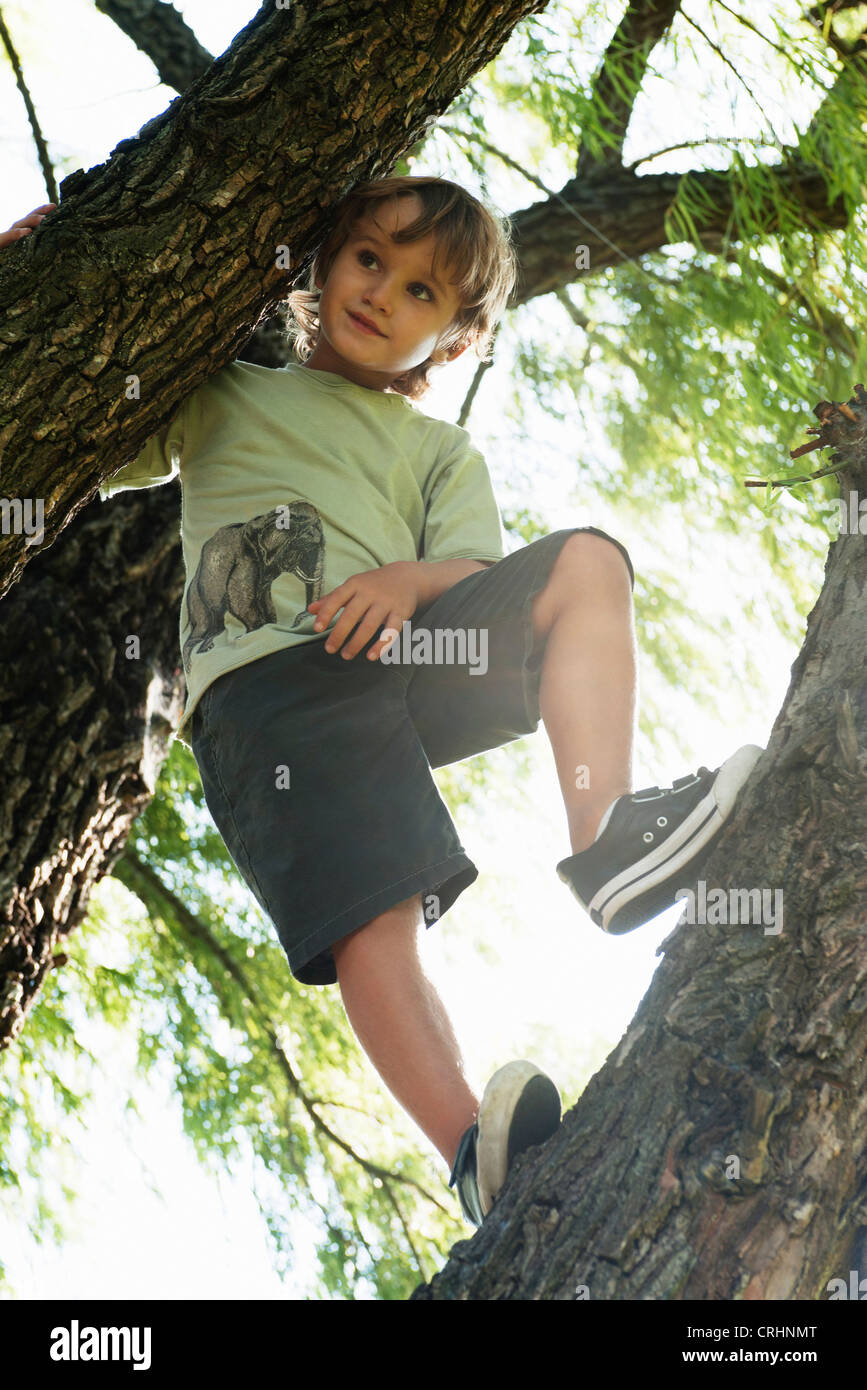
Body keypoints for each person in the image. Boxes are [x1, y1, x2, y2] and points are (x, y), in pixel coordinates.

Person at [10, 176, 761, 1227]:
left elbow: (470, 569)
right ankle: (472, 1149)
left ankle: (608, 842)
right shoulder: (227, 390)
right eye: (370, 259)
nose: (383, 295)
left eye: (422, 293)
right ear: (325, 263)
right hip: (271, 692)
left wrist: (409, 583)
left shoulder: (437, 451)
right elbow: (78, 415)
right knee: (375, 913)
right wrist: (36, 279)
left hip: (407, 660)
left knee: (589, 563)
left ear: (452, 340)